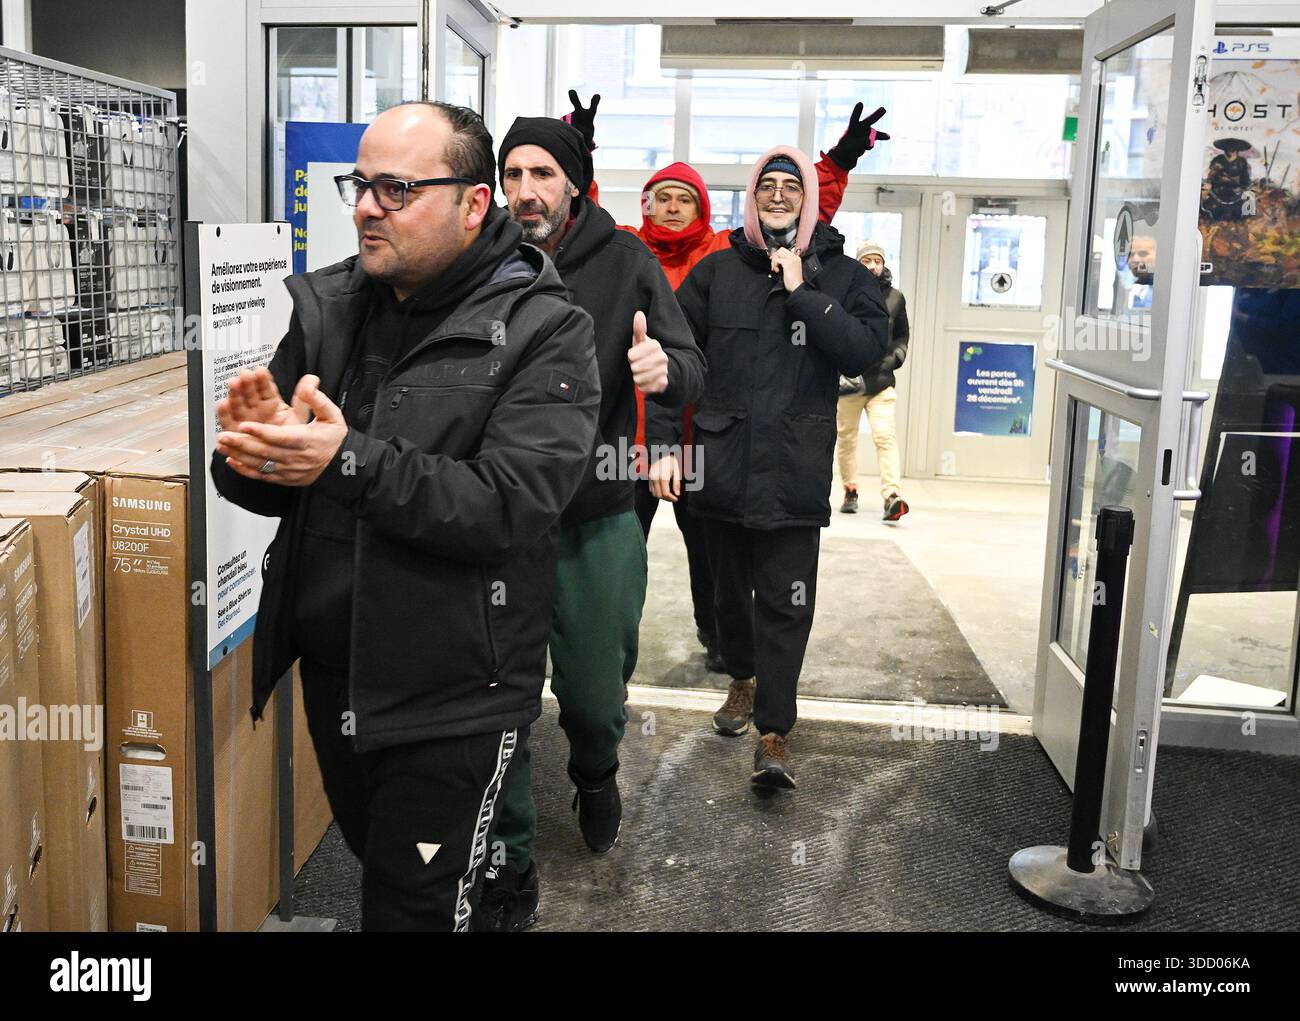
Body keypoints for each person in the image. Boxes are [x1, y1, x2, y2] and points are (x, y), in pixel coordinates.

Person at [208, 102, 601, 931]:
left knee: (412, 908)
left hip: (454, 690)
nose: (364, 206)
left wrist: (343, 458)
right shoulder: (329, 309)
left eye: (396, 188)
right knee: (390, 867)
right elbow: (281, 476)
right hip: (336, 669)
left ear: (472, 203)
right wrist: (250, 456)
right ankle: (492, 894)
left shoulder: (545, 328)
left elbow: (511, 502)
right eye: (362, 184)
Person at [566, 91, 889, 673]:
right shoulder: (626, 251)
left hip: (709, 442)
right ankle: (605, 647)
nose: (670, 208)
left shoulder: (722, 254)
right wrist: (579, 153)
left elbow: (796, 208)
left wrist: (838, 160)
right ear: (645, 205)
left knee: (712, 562)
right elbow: (581, 216)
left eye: (682, 199)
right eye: (660, 197)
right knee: (614, 551)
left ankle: (722, 645)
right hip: (628, 435)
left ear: (703, 210)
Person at [484, 114, 704, 930]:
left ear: (573, 182)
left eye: (543, 173)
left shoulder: (627, 262)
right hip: (494, 518)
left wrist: (666, 366)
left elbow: (692, 365)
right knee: (497, 696)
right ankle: (507, 854)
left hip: (596, 510)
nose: (526, 191)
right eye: (513, 174)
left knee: (590, 689)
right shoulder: (482, 258)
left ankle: (597, 767)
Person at [649, 146, 888, 789]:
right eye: (766, 187)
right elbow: (677, 363)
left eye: (791, 187)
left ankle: (775, 731)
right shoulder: (718, 271)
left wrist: (803, 293)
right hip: (720, 467)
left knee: (786, 602)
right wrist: (666, 445)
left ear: (809, 199)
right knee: (729, 598)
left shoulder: (839, 276)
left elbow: (868, 349)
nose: (778, 196)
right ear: (752, 198)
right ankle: (743, 682)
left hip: (793, 470)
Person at [837, 239, 910, 521]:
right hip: (850, 381)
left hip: (881, 381)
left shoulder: (895, 298)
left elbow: (902, 335)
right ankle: (850, 490)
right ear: (858, 263)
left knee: (885, 437)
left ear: (883, 264)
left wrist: (896, 358)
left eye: (877, 261)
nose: (872, 266)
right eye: (866, 261)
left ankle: (892, 496)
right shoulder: (846, 295)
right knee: (846, 439)